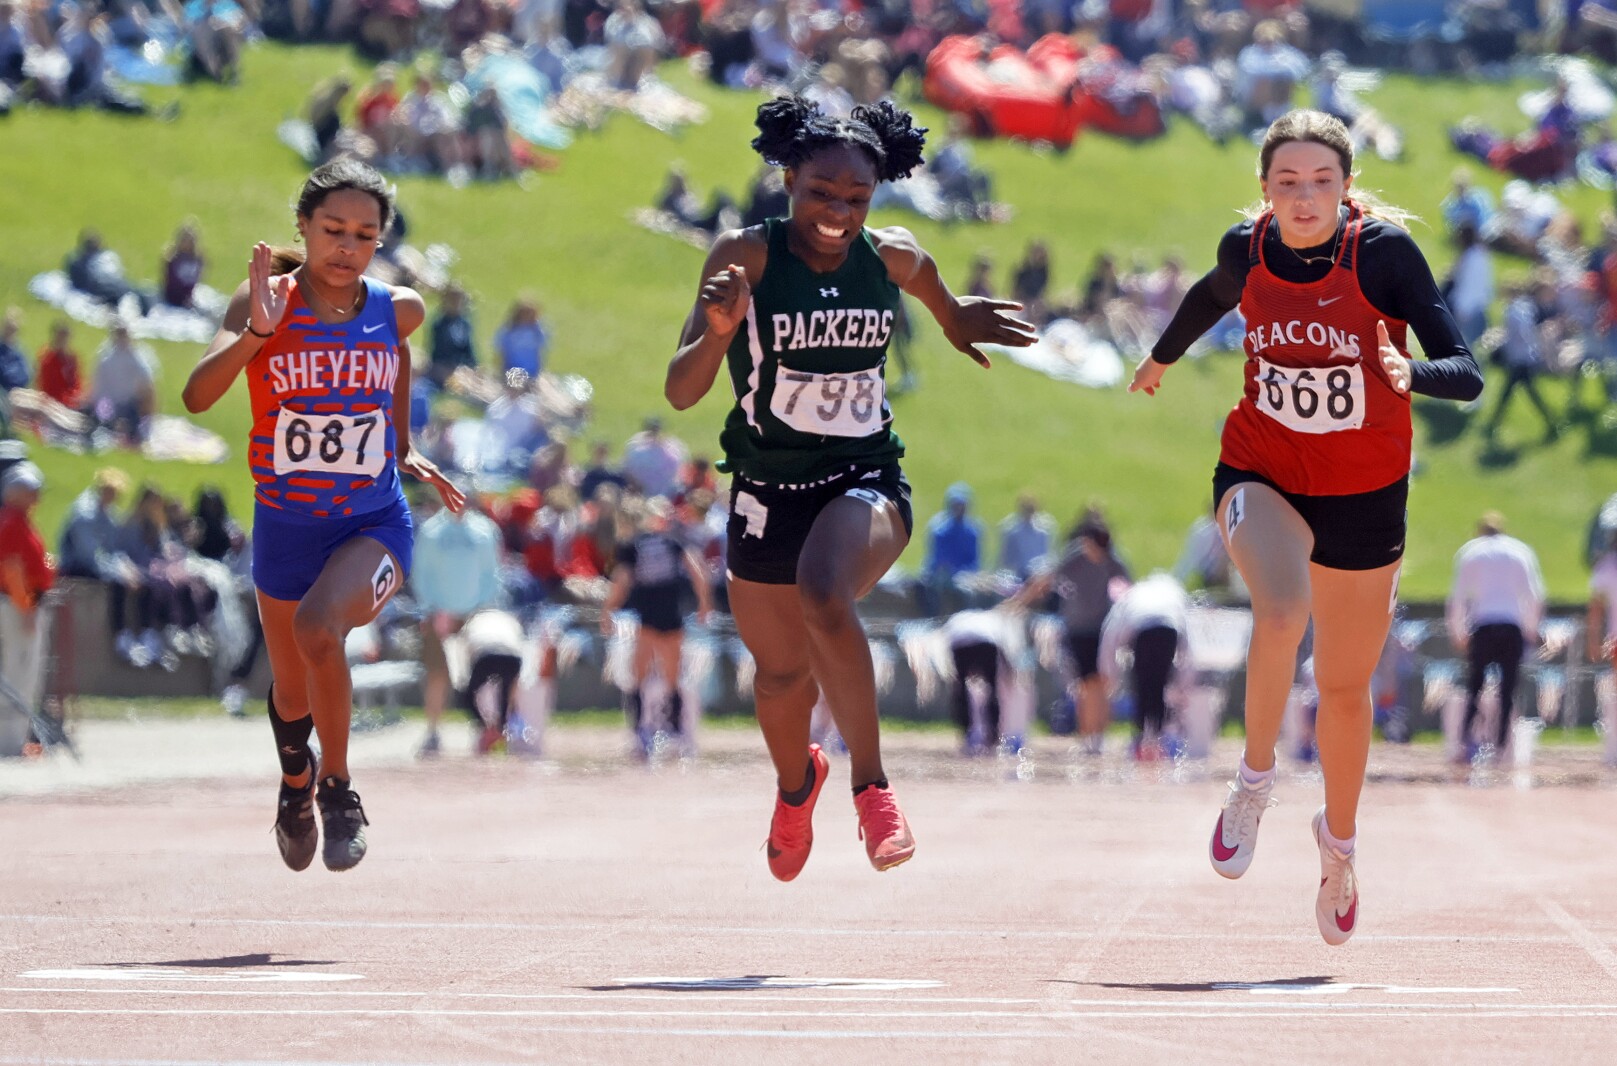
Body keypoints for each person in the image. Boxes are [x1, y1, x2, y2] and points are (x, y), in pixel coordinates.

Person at [1129, 109, 1483, 945]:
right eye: (1286, 183)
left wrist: (1409, 370)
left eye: (1321, 181)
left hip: (1364, 491)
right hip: (1262, 470)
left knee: (1345, 689)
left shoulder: (1383, 256)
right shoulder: (1245, 248)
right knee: (1281, 611)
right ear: (1263, 190)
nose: (1303, 197)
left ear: (1346, 188)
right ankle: (1253, 780)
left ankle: (1338, 847)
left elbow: (1464, 373)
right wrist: (1161, 356)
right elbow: (1207, 296)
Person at [665, 94, 1035, 880]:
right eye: (820, 193)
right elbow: (680, 389)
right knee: (778, 675)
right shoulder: (746, 256)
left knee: (824, 594)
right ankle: (797, 789)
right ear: (788, 177)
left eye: (855, 199)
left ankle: (873, 789)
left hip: (864, 476)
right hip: (767, 485)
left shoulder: (892, 256)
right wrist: (723, 327)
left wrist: (958, 318)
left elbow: (939, 297)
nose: (836, 212)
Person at [182, 159, 464, 874]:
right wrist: (255, 333)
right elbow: (196, 396)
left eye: (364, 235)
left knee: (319, 628)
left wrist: (402, 447)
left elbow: (396, 360)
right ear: (302, 227)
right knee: (290, 689)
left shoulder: (397, 307)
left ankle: (338, 788)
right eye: (332, 230)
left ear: (381, 242)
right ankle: (294, 782)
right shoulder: (262, 302)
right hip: (285, 527)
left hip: (372, 524)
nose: (346, 246)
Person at [599, 500, 714, 755]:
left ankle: (640, 730)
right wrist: (705, 603)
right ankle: (676, 732)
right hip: (672, 611)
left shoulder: (633, 545)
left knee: (638, 674)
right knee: (673, 675)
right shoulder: (675, 542)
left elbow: (622, 580)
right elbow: (697, 571)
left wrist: (608, 610)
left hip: (647, 613)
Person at [1014, 516, 1131, 754]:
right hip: (1078, 629)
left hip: (1102, 628)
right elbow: (1046, 578)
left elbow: (1129, 583)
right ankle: (1089, 736)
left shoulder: (1111, 558)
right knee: (1087, 685)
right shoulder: (1075, 556)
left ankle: (1098, 736)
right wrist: (1020, 602)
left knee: (1101, 683)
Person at [1446, 512, 1544, 763]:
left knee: (1474, 686)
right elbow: (1534, 594)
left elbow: (1458, 596)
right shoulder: (1520, 551)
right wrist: (1530, 630)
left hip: (1483, 625)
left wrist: (1458, 631)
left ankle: (1465, 742)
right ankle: (1501, 746)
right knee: (1507, 689)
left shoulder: (1471, 551)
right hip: (1511, 625)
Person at [411, 495, 504, 757]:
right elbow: (421, 573)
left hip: (476, 614)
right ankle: (433, 731)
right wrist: (433, 608)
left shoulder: (484, 530)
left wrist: (480, 608)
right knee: (437, 674)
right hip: (438, 614)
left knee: (483, 676)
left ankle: (485, 731)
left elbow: (492, 573)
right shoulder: (431, 531)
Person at [1098, 571, 1190, 760]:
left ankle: (1143, 739)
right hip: (1168, 630)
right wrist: (1184, 682)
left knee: (1142, 684)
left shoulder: (1132, 595)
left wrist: (1110, 676)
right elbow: (1188, 641)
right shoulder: (1173, 593)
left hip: (1143, 631)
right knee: (1160, 683)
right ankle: (1158, 737)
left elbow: (1109, 637)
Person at [0, 463, 55, 730]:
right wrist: (27, 609)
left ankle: (16, 738)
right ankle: (9, 741)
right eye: (30, 489)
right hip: (17, 606)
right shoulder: (12, 523)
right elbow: (12, 570)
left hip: (21, 603)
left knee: (22, 672)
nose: (37, 495)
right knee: (19, 672)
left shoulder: (21, 522)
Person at [996, 493, 1055, 583]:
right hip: (1019, 574)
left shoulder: (1043, 531)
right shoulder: (1013, 531)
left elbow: (1046, 555)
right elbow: (1006, 559)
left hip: (1038, 573)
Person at [426, 284, 477, 386]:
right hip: (443, 366)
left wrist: (473, 368)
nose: (456, 303)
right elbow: (439, 351)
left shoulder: (464, 323)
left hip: (461, 368)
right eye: (453, 300)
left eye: (459, 300)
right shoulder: (440, 323)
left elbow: (468, 350)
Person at [494, 297, 548, 380]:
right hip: (513, 372)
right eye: (527, 314)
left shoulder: (537, 331)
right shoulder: (509, 332)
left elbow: (539, 354)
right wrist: (502, 374)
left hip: (533, 373)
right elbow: (502, 355)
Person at [36, 322, 84, 411]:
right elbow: (48, 387)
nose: (63, 340)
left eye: (66, 337)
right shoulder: (47, 357)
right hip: (52, 403)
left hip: (70, 402)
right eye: (60, 336)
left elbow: (77, 383)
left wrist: (76, 397)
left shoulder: (72, 358)